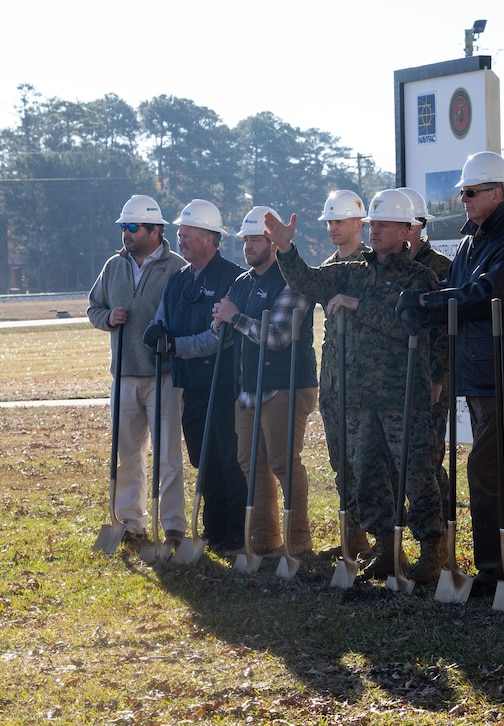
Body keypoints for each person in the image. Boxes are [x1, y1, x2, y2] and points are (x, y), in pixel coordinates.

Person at [268, 189, 446, 583]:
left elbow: (408, 322)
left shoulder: (420, 276)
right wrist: (285, 249)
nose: (376, 230)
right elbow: (309, 282)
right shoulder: (352, 269)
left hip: (402, 397)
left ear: (406, 231)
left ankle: (433, 551)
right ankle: (386, 549)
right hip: (358, 397)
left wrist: (357, 305)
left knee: (416, 475)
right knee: (366, 475)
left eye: (384, 225)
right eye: (372, 224)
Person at [399, 151, 504, 598]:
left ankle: (494, 571)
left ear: (499, 192)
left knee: (489, 468)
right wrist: (427, 306)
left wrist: (427, 304)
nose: (463, 199)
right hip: (484, 372)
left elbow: (486, 293)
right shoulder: (471, 242)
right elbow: (458, 293)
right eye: (461, 192)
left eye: (471, 192)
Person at [211, 206, 319, 557]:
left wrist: (236, 317)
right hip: (248, 388)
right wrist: (220, 321)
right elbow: (226, 327)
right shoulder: (242, 283)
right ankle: (265, 541)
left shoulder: (293, 279)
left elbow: (280, 336)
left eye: (255, 240)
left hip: (285, 385)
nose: (248, 247)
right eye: (246, 240)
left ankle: (299, 544)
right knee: (250, 465)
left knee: (284, 464)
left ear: (274, 243)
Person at [145, 199, 247, 555]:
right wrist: (156, 332)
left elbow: (218, 338)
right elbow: (162, 318)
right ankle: (214, 529)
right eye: (179, 234)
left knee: (226, 456)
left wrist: (174, 345)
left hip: (224, 384)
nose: (181, 241)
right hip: (191, 384)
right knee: (201, 458)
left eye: (187, 235)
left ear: (209, 238)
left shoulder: (233, 278)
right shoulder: (178, 280)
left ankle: (237, 532)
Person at [88, 195, 187, 546]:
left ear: (154, 229)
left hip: (165, 376)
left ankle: (173, 525)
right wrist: (108, 318)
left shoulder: (177, 268)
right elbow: (94, 307)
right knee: (127, 454)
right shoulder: (113, 266)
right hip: (125, 376)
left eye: (131, 227)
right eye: (122, 227)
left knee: (168, 456)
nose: (125, 233)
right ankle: (131, 522)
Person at [313, 189, 373, 561]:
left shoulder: (373, 266)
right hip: (333, 381)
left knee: (366, 463)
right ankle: (353, 539)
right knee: (340, 462)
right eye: (329, 222)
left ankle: (378, 538)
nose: (333, 227)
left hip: (365, 381)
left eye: (340, 221)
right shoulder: (326, 268)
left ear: (359, 223)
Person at [398, 186, 453, 525]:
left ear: (417, 225)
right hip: (392, 378)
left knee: (428, 461)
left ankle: (441, 533)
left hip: (429, 380)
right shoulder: (387, 266)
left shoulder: (441, 269)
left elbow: (447, 331)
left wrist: (437, 379)